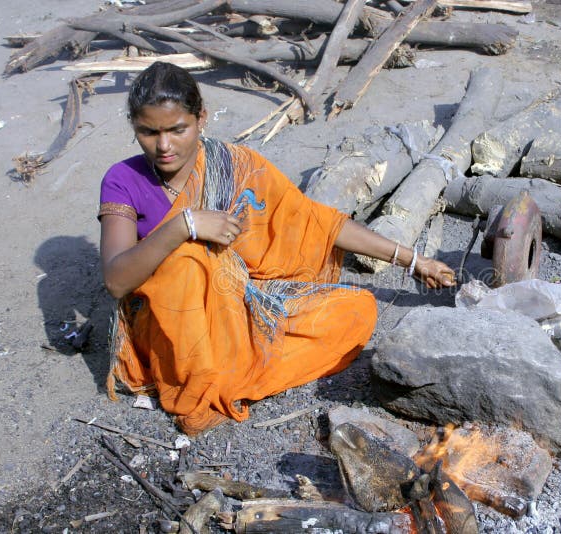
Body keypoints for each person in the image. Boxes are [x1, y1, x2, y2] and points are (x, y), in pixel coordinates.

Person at [99, 62, 456, 435]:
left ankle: (234, 371)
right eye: (148, 132)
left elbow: (317, 221)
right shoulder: (123, 180)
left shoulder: (236, 167)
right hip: (172, 325)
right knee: (190, 260)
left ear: (201, 118)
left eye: (177, 130)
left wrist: (413, 260)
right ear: (135, 127)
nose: (164, 146)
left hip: (242, 302)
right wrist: (183, 226)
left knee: (356, 311)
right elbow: (116, 281)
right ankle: (207, 382)